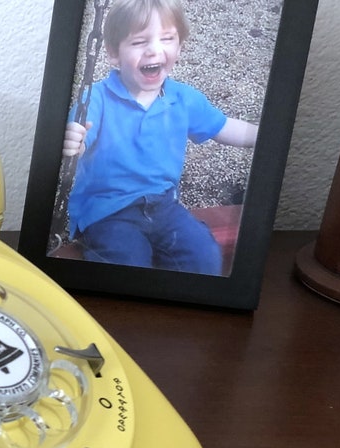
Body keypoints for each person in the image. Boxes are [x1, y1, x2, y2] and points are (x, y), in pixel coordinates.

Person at [61, 0, 258, 275]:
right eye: (139, 42)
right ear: (114, 54)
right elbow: (80, 136)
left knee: (203, 254)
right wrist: (75, 142)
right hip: (108, 209)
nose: (154, 50)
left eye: (166, 39)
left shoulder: (183, 98)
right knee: (126, 261)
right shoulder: (96, 98)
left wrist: (264, 136)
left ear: (180, 47)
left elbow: (223, 127)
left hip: (164, 205)